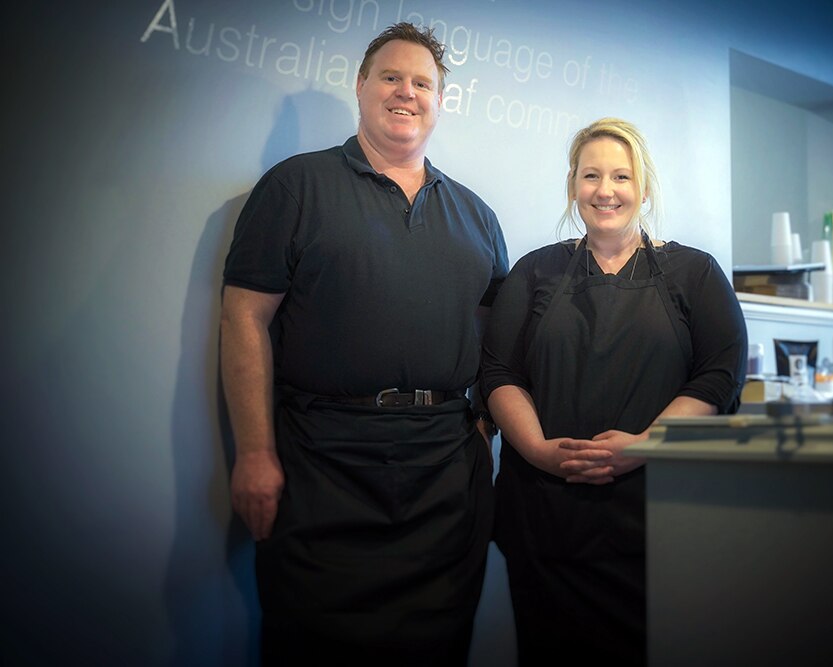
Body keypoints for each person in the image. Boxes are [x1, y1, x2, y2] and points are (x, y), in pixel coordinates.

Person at [220, 22, 508, 666]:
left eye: (422, 83)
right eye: (390, 77)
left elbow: (500, 342)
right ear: (361, 87)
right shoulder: (295, 187)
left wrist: (484, 427)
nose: (406, 92)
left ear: (440, 100)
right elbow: (243, 317)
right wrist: (254, 454)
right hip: (322, 466)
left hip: (444, 476)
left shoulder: (477, 216)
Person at [480, 117, 747, 665]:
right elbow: (498, 373)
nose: (606, 190)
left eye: (621, 177)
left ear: (643, 187)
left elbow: (719, 376)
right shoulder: (534, 272)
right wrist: (537, 451)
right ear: (573, 185)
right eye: (591, 175)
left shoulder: (694, 273)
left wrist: (645, 444)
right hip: (546, 518)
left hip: (657, 519)